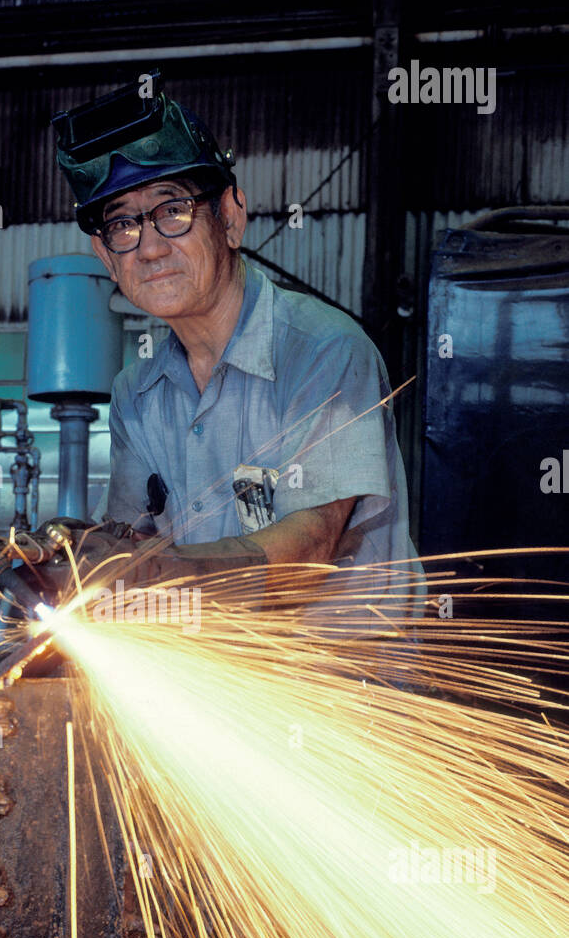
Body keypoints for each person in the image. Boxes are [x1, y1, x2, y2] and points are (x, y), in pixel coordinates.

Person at [45, 73, 422, 628]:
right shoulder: (136, 394)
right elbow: (134, 540)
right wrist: (77, 559)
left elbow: (311, 547)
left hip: (348, 689)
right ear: (105, 255)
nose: (148, 248)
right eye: (122, 225)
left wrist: (159, 575)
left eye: (172, 211)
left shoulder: (326, 353)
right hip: (223, 683)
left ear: (231, 216)